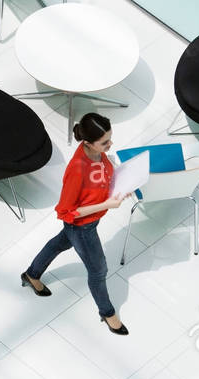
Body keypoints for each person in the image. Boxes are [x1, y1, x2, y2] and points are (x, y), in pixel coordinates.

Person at [21, 112, 130, 335]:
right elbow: (65, 211)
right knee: (99, 271)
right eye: (105, 142)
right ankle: (108, 313)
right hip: (82, 226)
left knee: (59, 243)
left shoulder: (99, 155)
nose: (110, 145)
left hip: (90, 222)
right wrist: (106, 204)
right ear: (88, 143)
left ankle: (32, 275)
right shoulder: (77, 169)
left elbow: (103, 178)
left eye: (110, 138)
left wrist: (119, 187)